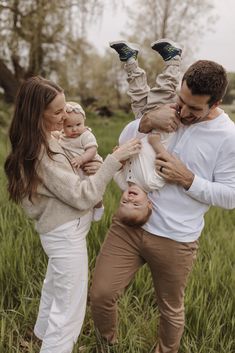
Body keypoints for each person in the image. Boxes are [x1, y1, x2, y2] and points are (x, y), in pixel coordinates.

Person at [90, 46, 235, 352]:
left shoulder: (228, 138)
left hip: (176, 238)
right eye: (180, 102)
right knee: (101, 294)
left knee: (170, 310)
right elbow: (124, 145)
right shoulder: (167, 106)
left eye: (193, 110)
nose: (182, 113)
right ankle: (109, 344)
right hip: (129, 224)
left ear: (215, 104)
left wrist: (188, 179)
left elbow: (231, 195)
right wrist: (144, 123)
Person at [4, 76, 141, 353]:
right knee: (69, 308)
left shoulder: (45, 139)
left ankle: (40, 335)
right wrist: (114, 160)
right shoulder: (40, 154)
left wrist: (94, 165)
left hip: (61, 231)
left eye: (64, 108)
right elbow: (83, 195)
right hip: (65, 235)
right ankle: (54, 346)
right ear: (36, 113)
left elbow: (72, 175)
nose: (64, 116)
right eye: (56, 111)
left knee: (55, 287)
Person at [110, 39, 182, 226]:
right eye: (136, 205)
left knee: (138, 96)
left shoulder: (122, 184)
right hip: (159, 131)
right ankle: (174, 60)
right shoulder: (152, 184)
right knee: (161, 93)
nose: (130, 199)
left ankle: (130, 60)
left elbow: (115, 166)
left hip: (139, 127)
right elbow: (165, 161)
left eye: (124, 202)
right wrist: (157, 145)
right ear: (149, 204)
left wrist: (119, 157)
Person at [53, 100, 104, 221]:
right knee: (79, 193)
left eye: (78, 124)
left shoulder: (85, 135)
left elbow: (92, 150)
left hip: (87, 167)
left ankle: (99, 206)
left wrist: (82, 159)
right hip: (76, 170)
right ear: (63, 126)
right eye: (69, 126)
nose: (74, 129)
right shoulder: (62, 136)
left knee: (93, 192)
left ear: (84, 122)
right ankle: (80, 211)